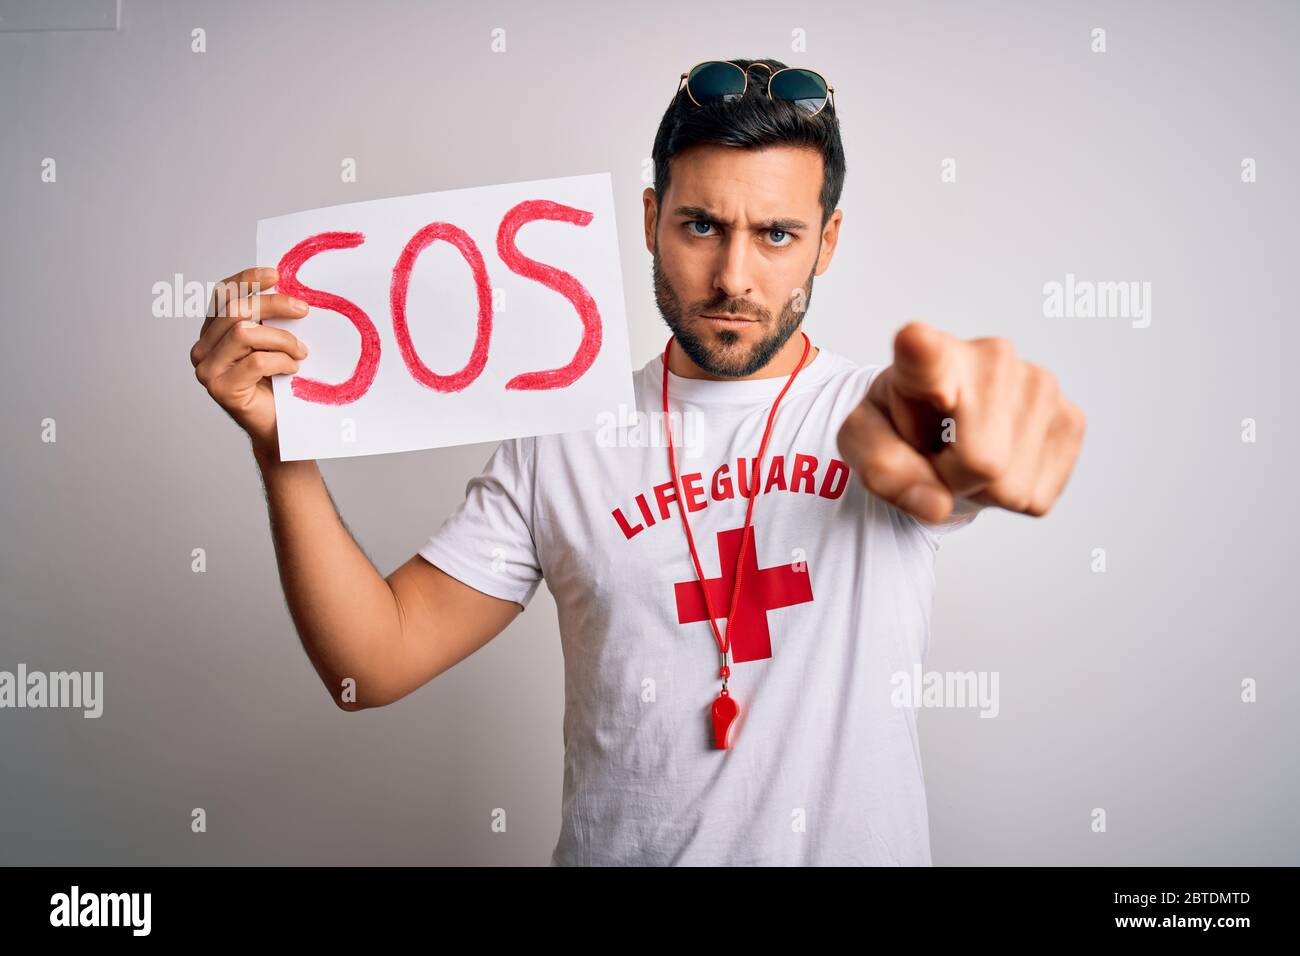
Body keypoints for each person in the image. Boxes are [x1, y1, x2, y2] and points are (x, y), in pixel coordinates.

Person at [189, 57, 1085, 865]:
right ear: (652, 219)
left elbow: (951, 448)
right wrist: (284, 450)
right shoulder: (564, 432)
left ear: (828, 240)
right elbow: (370, 665)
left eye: (777, 234)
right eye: (701, 225)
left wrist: (978, 440)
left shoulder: (875, 414)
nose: (735, 275)